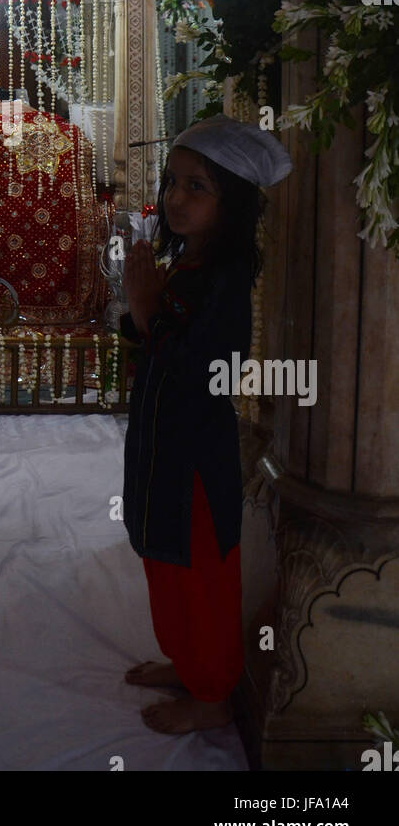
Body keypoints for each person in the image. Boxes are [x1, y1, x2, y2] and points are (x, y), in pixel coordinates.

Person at [120, 114, 292, 734]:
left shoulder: (225, 278)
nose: (175, 198)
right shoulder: (189, 264)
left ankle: (213, 692)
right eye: (173, 182)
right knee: (164, 558)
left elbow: (211, 368)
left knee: (199, 576)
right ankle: (188, 663)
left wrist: (145, 313)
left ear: (233, 204)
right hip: (161, 440)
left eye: (197, 187)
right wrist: (142, 311)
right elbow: (155, 339)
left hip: (195, 452)